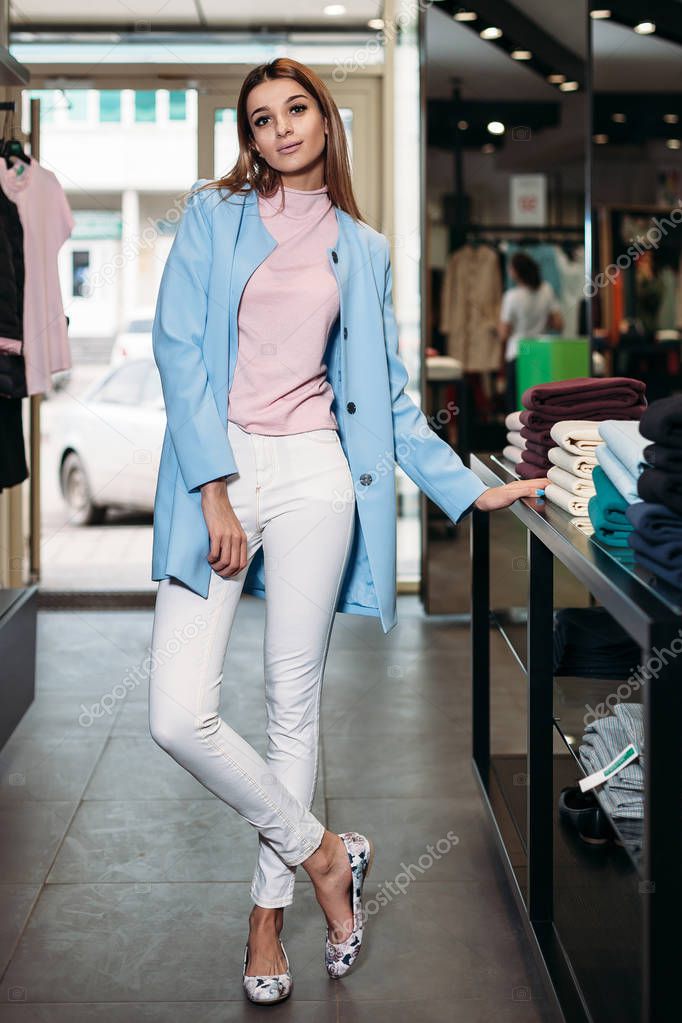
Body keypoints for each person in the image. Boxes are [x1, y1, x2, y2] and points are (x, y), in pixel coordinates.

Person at [147, 57, 549, 1005]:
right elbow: (176, 350)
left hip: (320, 475)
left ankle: (265, 916)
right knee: (177, 713)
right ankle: (328, 853)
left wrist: (465, 486)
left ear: (324, 120)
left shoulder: (361, 249)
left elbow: (388, 400)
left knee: (293, 706)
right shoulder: (213, 217)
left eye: (295, 110)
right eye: (260, 120)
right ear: (246, 139)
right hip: (225, 468)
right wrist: (213, 489)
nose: (280, 129)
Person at [498, 250, 564, 413]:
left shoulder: (511, 296)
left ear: (515, 272)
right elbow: (559, 324)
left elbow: (504, 333)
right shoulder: (546, 290)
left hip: (517, 354)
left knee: (515, 407)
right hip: (540, 354)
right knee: (537, 405)